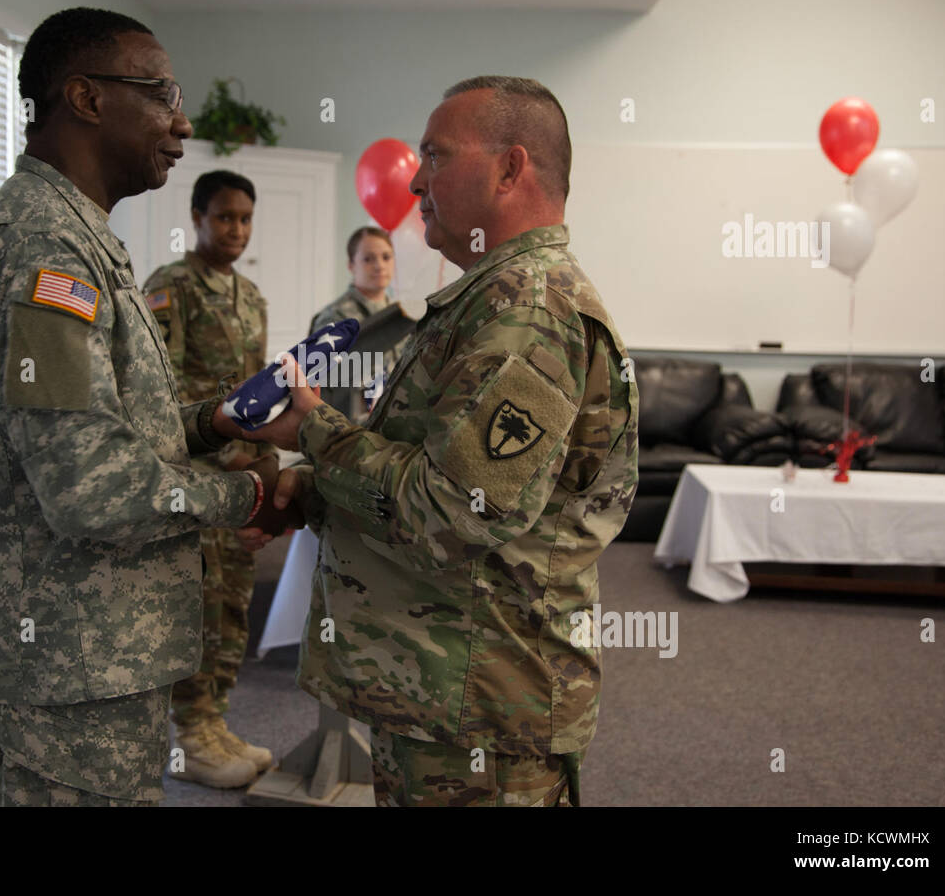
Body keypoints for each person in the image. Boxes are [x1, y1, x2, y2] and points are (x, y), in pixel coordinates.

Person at [241, 76, 639, 806]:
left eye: (436, 155)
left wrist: (316, 432)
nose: (416, 181)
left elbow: (452, 510)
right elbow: (429, 463)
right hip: (443, 693)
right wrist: (309, 491)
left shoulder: (530, 312)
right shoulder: (489, 299)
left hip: (482, 710)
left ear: (510, 169)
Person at [0, 7, 299, 807]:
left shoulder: (79, 236)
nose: (182, 122)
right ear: (87, 98)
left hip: (101, 646)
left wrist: (212, 424)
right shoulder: (43, 248)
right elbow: (88, 487)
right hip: (69, 657)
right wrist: (250, 494)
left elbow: (111, 425)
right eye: (161, 94)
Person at [140, 170, 276, 788]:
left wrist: (263, 460)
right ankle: (191, 734)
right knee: (198, 605)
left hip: (241, 478)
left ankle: (216, 720)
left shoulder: (251, 296)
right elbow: (156, 394)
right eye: (224, 217)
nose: (236, 230)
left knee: (233, 605)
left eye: (245, 219)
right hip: (195, 480)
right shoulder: (171, 287)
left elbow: (258, 393)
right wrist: (222, 456)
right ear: (197, 217)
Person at [308, 226, 408, 423]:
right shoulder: (334, 318)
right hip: (348, 428)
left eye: (386, 257)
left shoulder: (402, 316)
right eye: (368, 259)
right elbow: (322, 386)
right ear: (351, 265)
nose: (379, 266)